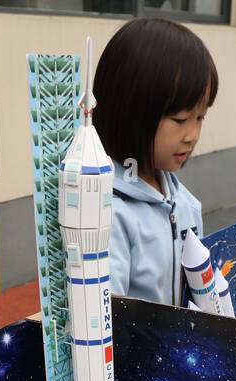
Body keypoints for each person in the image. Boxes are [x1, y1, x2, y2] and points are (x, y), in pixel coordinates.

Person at [93, 18, 216, 306]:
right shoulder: (108, 214)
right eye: (181, 119)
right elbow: (110, 321)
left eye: (201, 117)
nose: (193, 135)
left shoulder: (184, 201)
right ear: (130, 112)